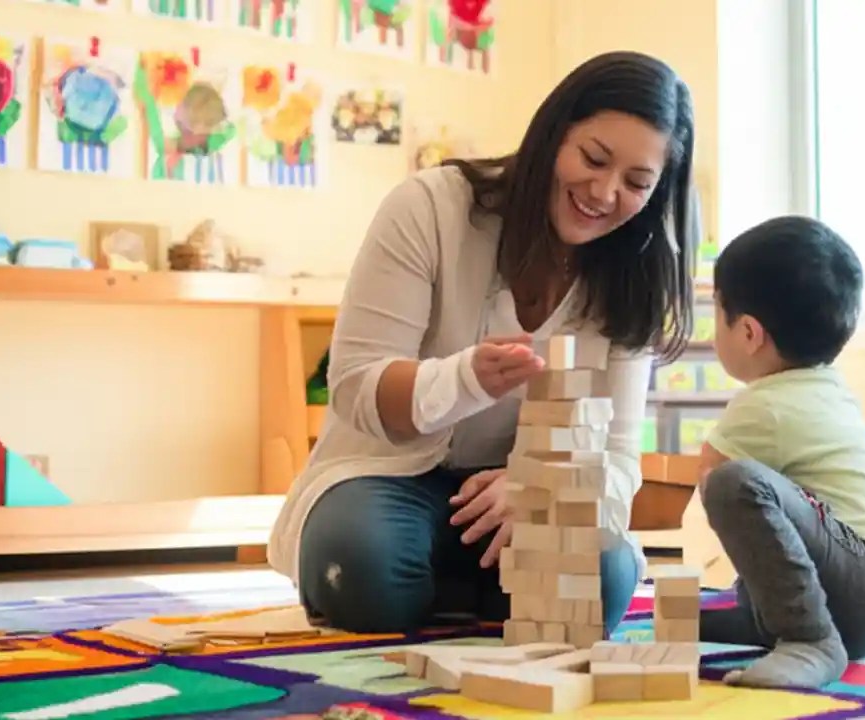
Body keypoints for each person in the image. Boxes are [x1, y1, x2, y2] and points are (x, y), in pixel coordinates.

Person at [265, 50, 697, 636]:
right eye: (593, 159)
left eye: (637, 183)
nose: (603, 191)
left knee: (603, 580)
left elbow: (618, 457)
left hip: (524, 499)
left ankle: (458, 587)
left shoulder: (635, 275)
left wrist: (542, 487)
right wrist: (463, 379)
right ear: (553, 134)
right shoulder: (432, 208)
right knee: (362, 565)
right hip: (389, 477)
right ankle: (465, 588)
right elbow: (356, 384)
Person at [696, 216, 865, 688]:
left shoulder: (763, 405)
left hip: (857, 590)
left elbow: (710, 478)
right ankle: (771, 621)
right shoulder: (826, 387)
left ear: (748, 333)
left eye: (716, 315)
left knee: (732, 484)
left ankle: (810, 639)